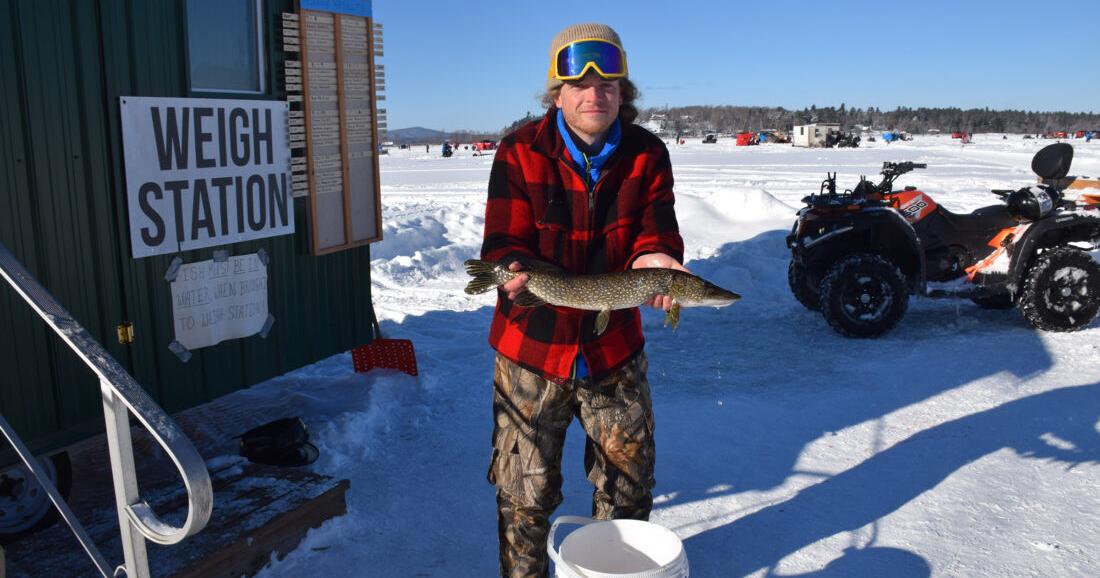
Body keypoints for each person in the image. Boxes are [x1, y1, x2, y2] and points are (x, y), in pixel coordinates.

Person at [478, 22, 686, 577]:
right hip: (530, 349)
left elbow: (655, 228)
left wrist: (657, 257)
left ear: (624, 92)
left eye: (609, 85)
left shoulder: (647, 154)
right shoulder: (520, 151)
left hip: (613, 346)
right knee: (526, 495)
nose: (596, 95)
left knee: (628, 487)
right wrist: (513, 269)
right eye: (580, 85)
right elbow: (503, 239)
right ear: (557, 93)